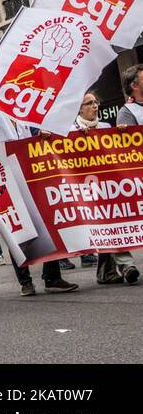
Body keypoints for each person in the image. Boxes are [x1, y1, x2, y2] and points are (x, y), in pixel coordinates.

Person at [73, 93, 141, 284]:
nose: (94, 106)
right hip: (85, 188)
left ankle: (107, 272)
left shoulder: (106, 128)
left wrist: (121, 135)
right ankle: (126, 265)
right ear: (79, 108)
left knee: (110, 224)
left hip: (108, 187)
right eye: (89, 103)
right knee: (104, 225)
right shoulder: (70, 131)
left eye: (96, 102)